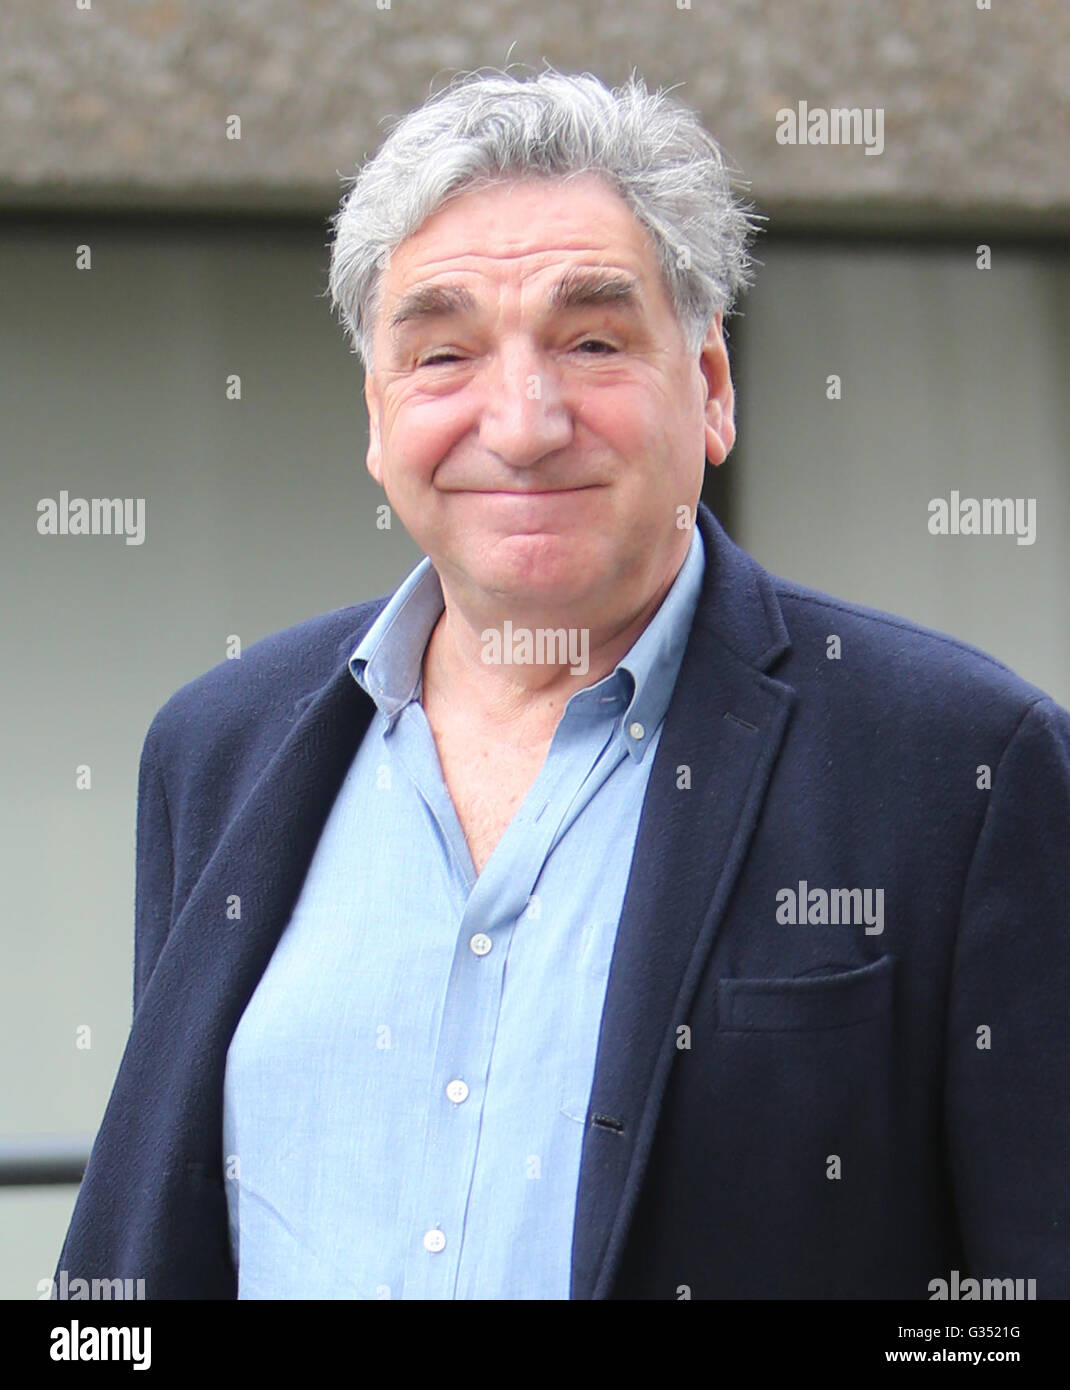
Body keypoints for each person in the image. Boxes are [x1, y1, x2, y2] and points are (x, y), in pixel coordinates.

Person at [56, 67, 1070, 1300]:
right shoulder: (215, 749)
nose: (524, 422)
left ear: (707, 388)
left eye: (591, 340)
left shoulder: (959, 765)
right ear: (377, 419)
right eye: (443, 355)